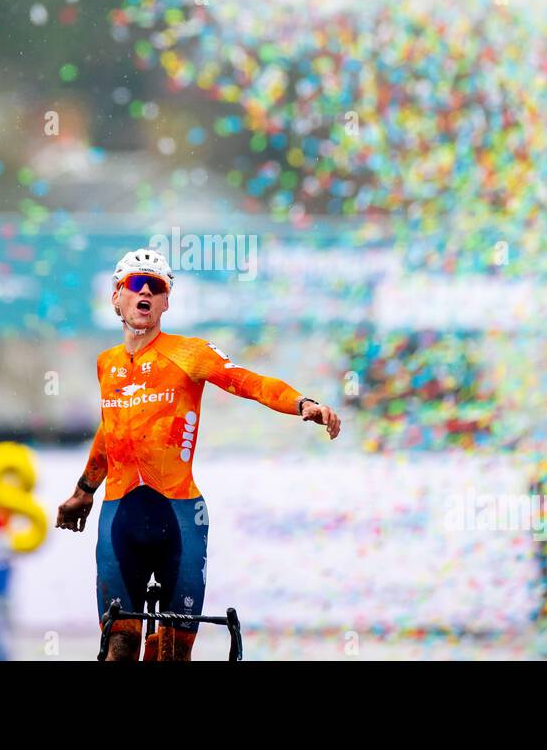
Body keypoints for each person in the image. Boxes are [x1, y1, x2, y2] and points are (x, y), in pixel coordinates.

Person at [54, 248, 341, 661]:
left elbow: (247, 381)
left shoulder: (190, 353)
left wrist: (302, 403)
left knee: (171, 653)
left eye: (157, 286)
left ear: (166, 302)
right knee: (119, 647)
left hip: (179, 517)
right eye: (136, 284)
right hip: (119, 516)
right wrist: (84, 490)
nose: (146, 292)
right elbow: (110, 429)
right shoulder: (107, 364)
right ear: (116, 297)